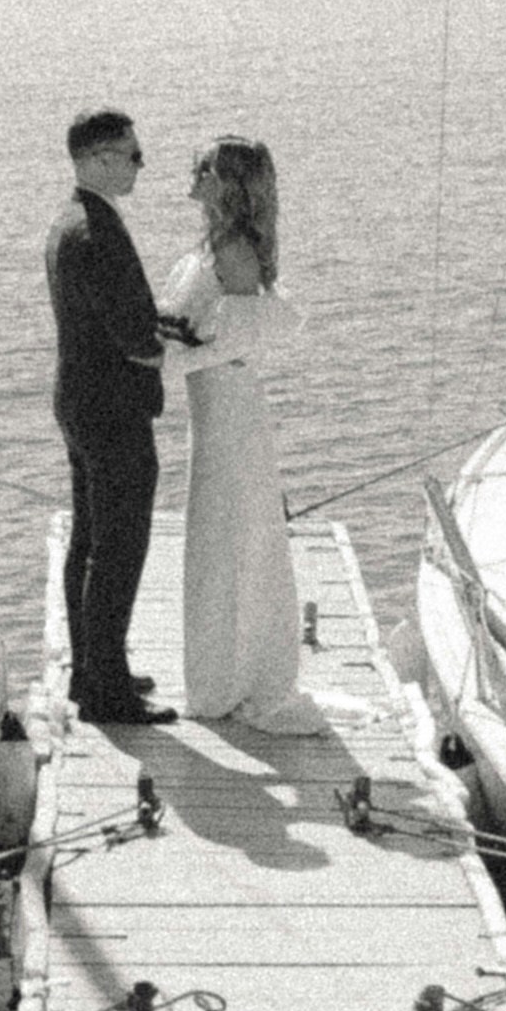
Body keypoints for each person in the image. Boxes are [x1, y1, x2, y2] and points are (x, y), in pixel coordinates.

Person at [158, 136, 326, 733]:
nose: (192, 173)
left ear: (225, 183)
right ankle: (224, 670)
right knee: (221, 531)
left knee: (231, 532)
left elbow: (233, 340)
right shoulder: (216, 245)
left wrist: (167, 358)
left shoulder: (233, 250)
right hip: (213, 406)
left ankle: (236, 675)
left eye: (203, 168)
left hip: (228, 406)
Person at [45, 107, 176, 725]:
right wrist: (170, 347)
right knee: (117, 548)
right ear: (99, 158)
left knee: (90, 542)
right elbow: (133, 340)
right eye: (132, 154)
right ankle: (107, 690)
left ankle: (93, 670)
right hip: (111, 409)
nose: (141, 164)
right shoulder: (94, 231)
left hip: (79, 401)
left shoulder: (69, 221)